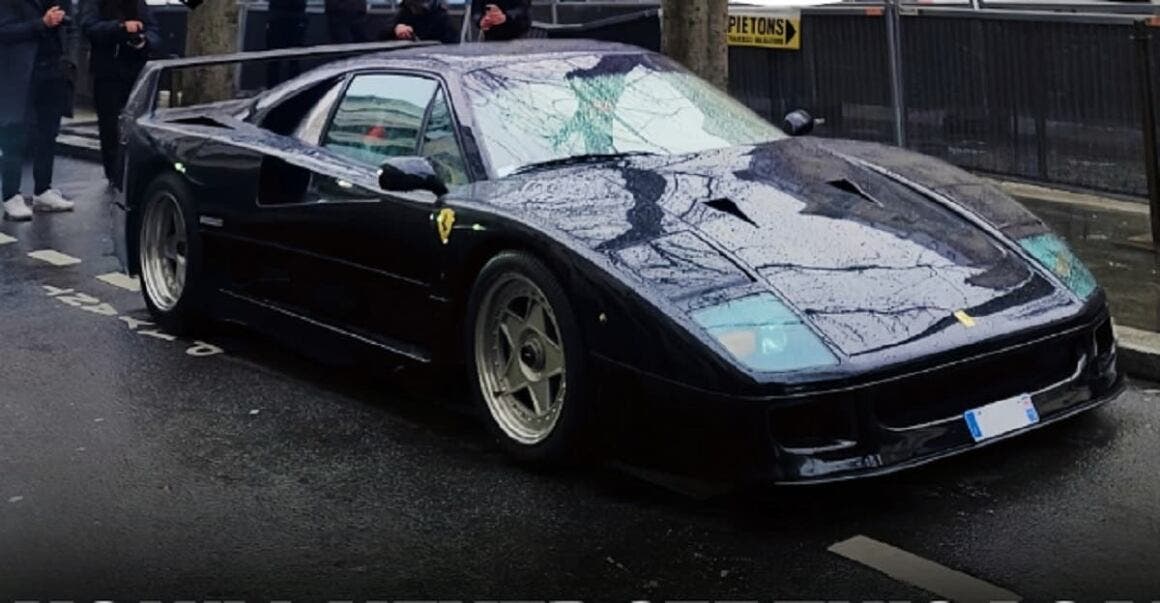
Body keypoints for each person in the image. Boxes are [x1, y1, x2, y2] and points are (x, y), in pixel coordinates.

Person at [79, 0, 160, 188]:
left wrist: (144, 41)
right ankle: (114, 173)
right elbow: (89, 27)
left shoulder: (139, 3)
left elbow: (154, 28)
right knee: (109, 125)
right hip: (107, 71)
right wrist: (121, 28)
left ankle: (135, 170)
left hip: (136, 70)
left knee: (139, 122)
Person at [265, 0, 307, 87]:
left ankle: (284, 90)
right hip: (288, 18)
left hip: (286, 18)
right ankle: (287, 90)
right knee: (278, 60)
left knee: (287, 60)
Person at [389, 0, 457, 44]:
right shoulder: (404, 12)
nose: (413, 10)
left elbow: (452, 45)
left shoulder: (442, 19)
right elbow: (381, 35)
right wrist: (395, 29)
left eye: (414, 7)